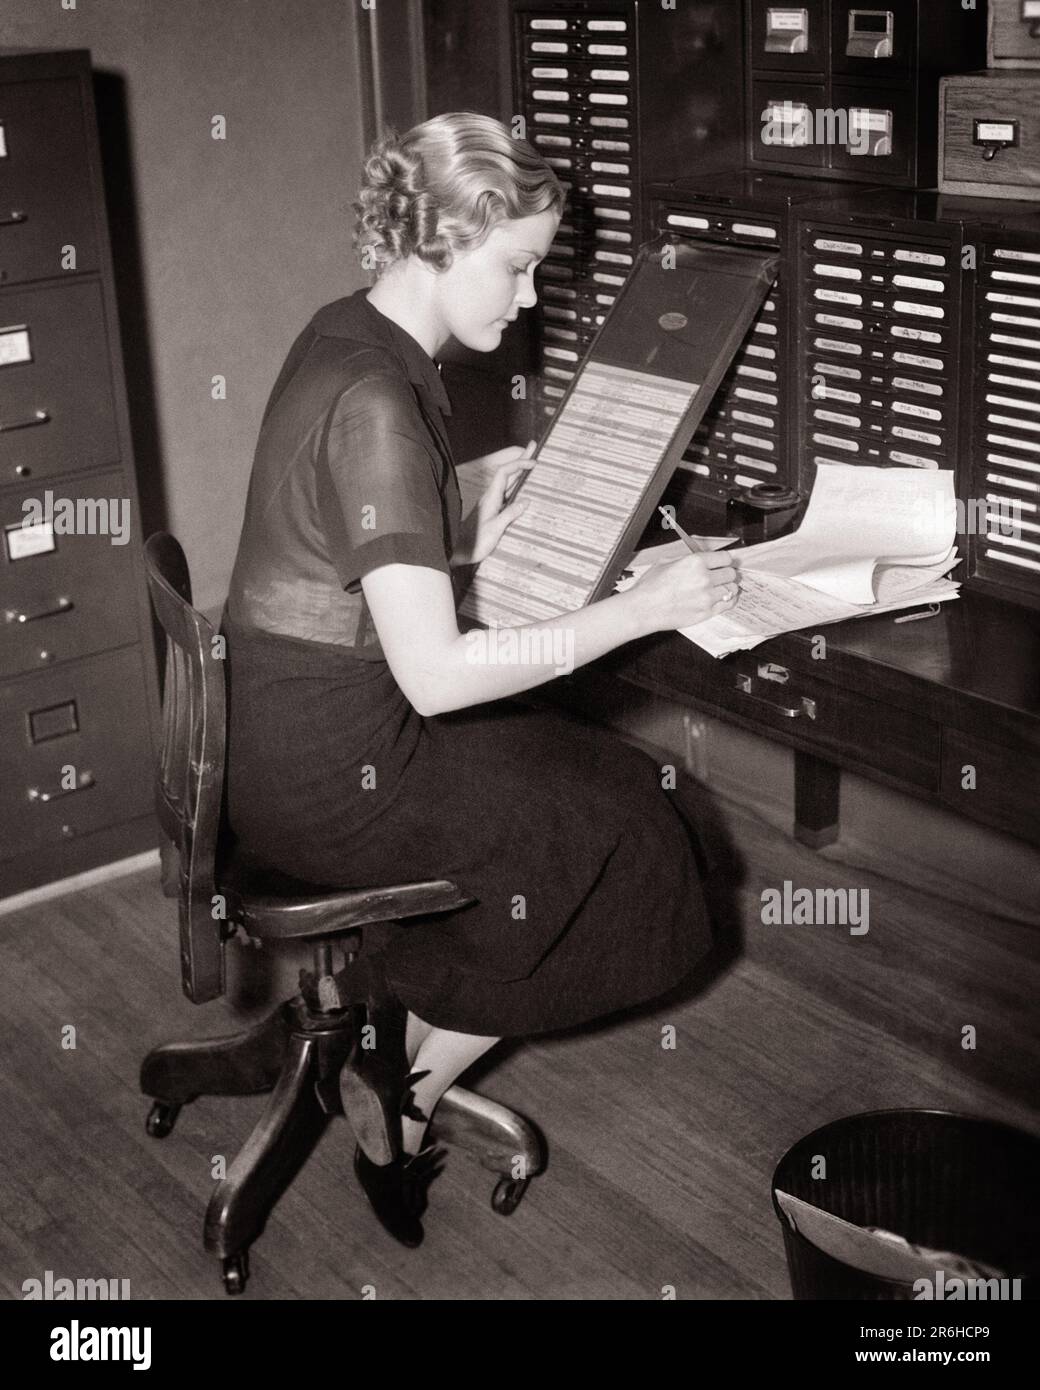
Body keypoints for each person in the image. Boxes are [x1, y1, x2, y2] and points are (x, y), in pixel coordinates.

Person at [222, 111, 740, 1247]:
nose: (524, 301)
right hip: (335, 763)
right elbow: (441, 677)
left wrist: (456, 505)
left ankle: (394, 1032)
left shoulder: (345, 335)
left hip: (281, 722)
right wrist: (638, 610)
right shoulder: (380, 404)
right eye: (514, 268)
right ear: (446, 238)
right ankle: (397, 1086)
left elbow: (334, 538)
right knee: (631, 834)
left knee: (594, 776)